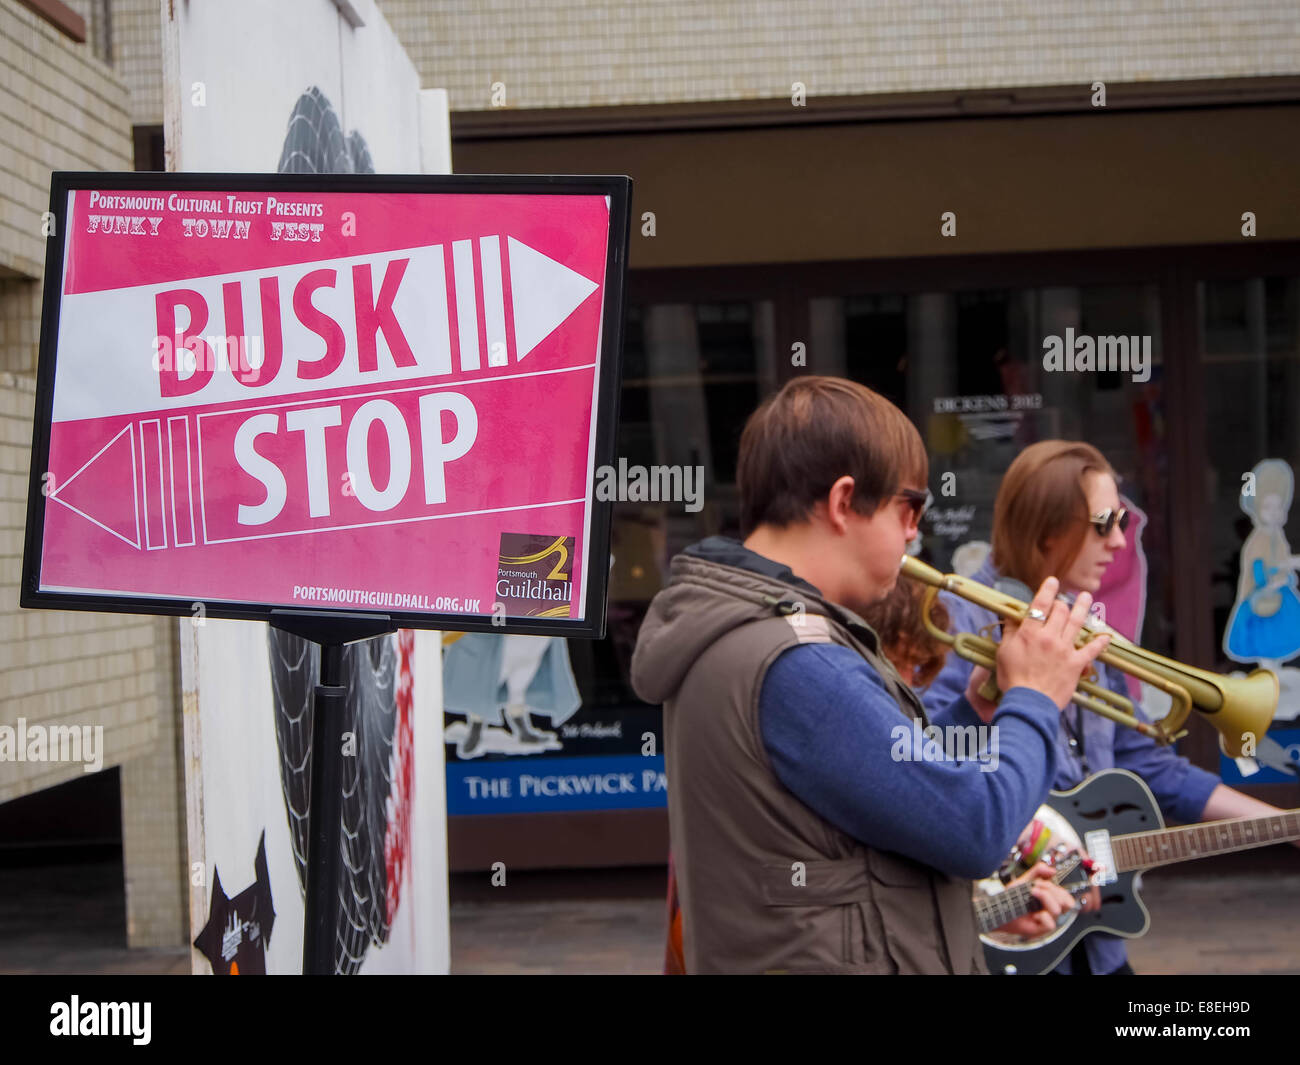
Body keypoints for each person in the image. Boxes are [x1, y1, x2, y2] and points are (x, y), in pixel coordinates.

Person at [630, 376, 1103, 974]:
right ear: (843, 500)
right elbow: (977, 830)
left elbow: (884, 791)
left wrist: (983, 709)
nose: (914, 531)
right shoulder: (797, 660)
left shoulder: (758, 633)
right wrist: (1036, 698)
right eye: (910, 507)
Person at [923, 439, 1296, 975]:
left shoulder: (1090, 626)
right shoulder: (959, 623)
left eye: (1121, 521)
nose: (1120, 540)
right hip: (1007, 941)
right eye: (1104, 523)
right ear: (1047, 529)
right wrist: (1044, 853)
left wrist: (1283, 824)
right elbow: (932, 773)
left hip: (1095, 945)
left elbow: (1153, 769)